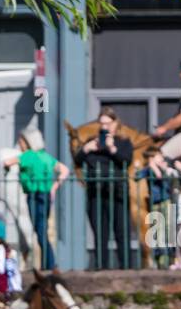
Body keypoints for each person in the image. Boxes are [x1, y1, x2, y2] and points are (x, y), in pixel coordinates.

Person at [74, 107, 135, 270]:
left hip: (118, 192)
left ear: (115, 124)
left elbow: (126, 159)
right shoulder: (93, 142)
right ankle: (102, 267)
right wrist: (86, 149)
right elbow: (78, 160)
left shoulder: (123, 142)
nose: (104, 127)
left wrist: (112, 148)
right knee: (100, 232)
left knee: (121, 231)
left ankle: (126, 267)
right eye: (101, 123)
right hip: (96, 192)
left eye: (108, 123)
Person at [16, 124, 66, 269]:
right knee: (41, 231)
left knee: (40, 231)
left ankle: (50, 264)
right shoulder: (46, 157)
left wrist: (7, 167)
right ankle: (48, 264)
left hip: (34, 195)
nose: (19, 143)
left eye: (21, 140)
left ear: (29, 141)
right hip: (45, 195)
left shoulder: (28, 156)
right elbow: (64, 170)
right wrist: (54, 187)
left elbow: (8, 161)